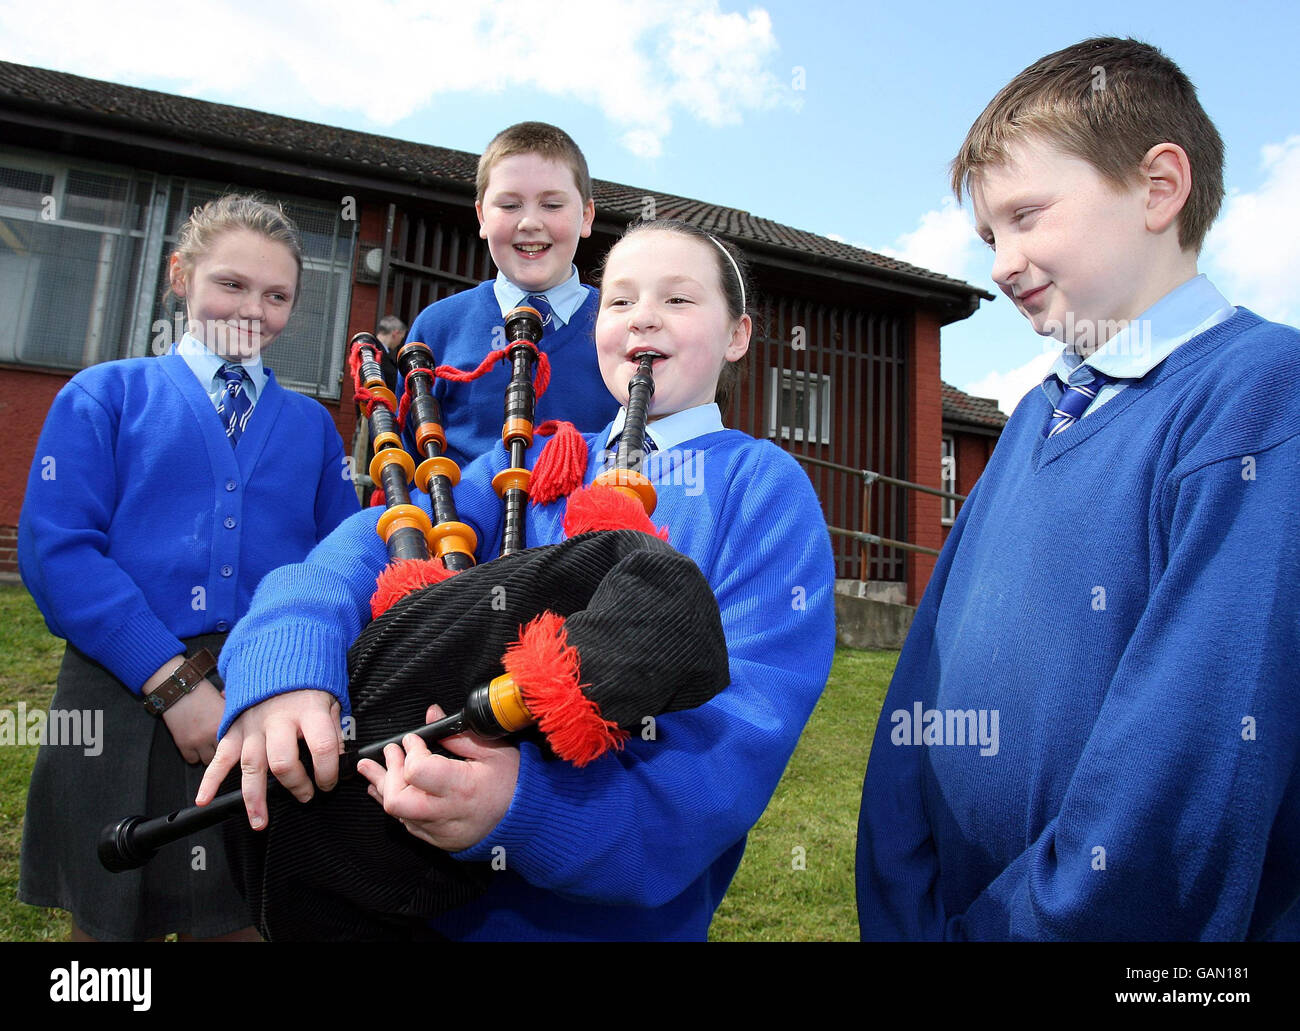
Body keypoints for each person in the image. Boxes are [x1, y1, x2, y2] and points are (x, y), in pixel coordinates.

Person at [200, 218, 837, 940]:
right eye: (619, 301)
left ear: (738, 335)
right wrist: (287, 664)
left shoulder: (760, 488)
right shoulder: (537, 463)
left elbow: (734, 739)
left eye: (679, 301)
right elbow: (354, 552)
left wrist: (526, 809)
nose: (643, 318)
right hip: (429, 908)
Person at [856, 37, 1300, 941]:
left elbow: (1186, 772)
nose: (1001, 263)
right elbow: (921, 686)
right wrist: (900, 907)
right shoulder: (1029, 420)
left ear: (1158, 187)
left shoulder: (1261, 395)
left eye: (1027, 216)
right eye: (989, 235)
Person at [17, 193, 360, 941]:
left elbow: (340, 562)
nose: (253, 309)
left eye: (277, 295)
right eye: (231, 284)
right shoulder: (105, 395)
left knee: (244, 918)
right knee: (109, 930)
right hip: (118, 695)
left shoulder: (311, 428)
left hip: (261, 699)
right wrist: (170, 682)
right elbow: (59, 550)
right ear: (181, 275)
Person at [400, 121, 619, 468]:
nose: (530, 222)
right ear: (482, 216)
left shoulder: (621, 326)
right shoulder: (439, 328)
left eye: (551, 205)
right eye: (510, 205)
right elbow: (406, 459)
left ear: (586, 216)